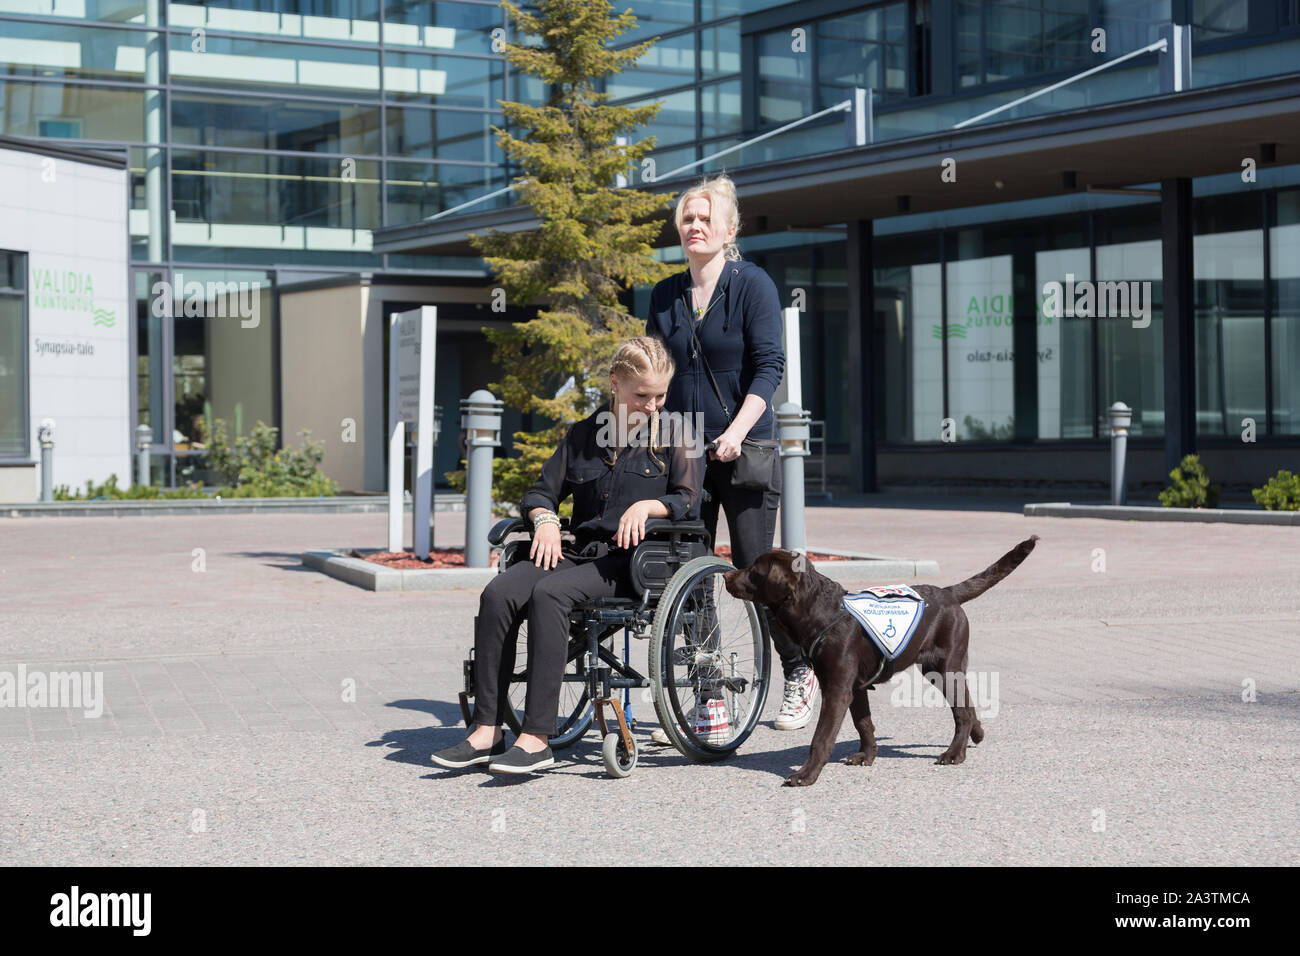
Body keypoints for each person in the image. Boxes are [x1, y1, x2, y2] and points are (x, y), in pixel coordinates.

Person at [431, 336, 703, 775]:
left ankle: (537, 739)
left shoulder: (677, 434)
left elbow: (690, 500)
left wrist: (649, 506)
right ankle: (487, 730)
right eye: (641, 395)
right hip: (578, 553)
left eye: (660, 395)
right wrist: (544, 520)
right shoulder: (582, 435)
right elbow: (541, 492)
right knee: (498, 594)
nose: (652, 405)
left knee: (550, 594)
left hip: (632, 561)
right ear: (615, 383)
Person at [645, 173, 819, 734]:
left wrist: (738, 431)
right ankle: (710, 692)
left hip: (743, 450)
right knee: (690, 574)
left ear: (729, 229)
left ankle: (799, 671)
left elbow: (770, 367)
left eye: (704, 219)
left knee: (756, 574)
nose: (694, 227)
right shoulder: (665, 295)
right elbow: (655, 370)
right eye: (686, 220)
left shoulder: (753, 286)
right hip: (686, 457)